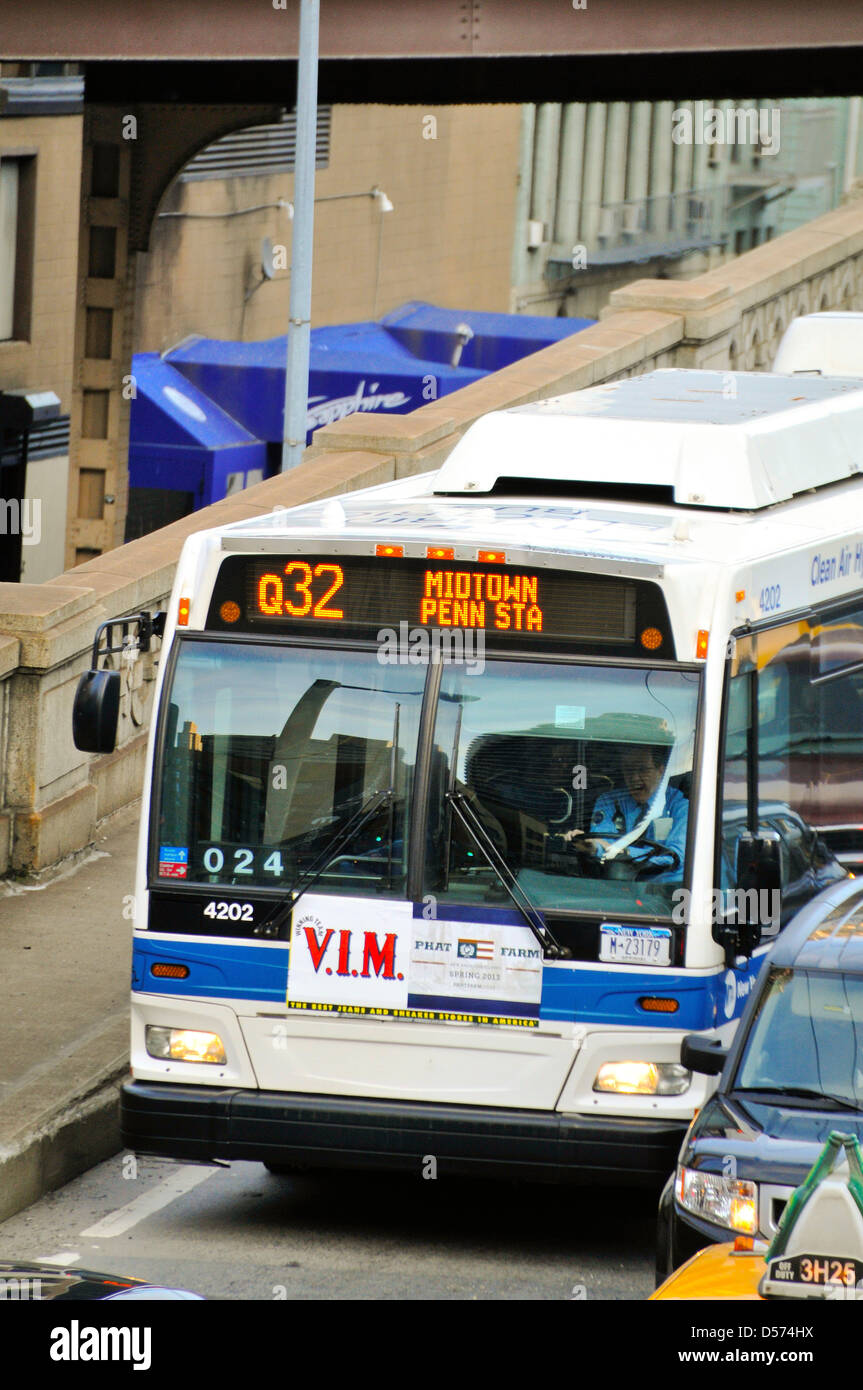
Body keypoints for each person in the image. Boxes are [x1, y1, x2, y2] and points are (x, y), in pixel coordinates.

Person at [565, 742, 688, 879]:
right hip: (614, 887)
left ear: (660, 771)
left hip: (661, 891)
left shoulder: (680, 807)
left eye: (643, 770)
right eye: (628, 770)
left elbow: (675, 857)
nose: (634, 778)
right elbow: (601, 844)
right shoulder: (609, 801)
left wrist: (625, 853)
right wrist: (592, 847)